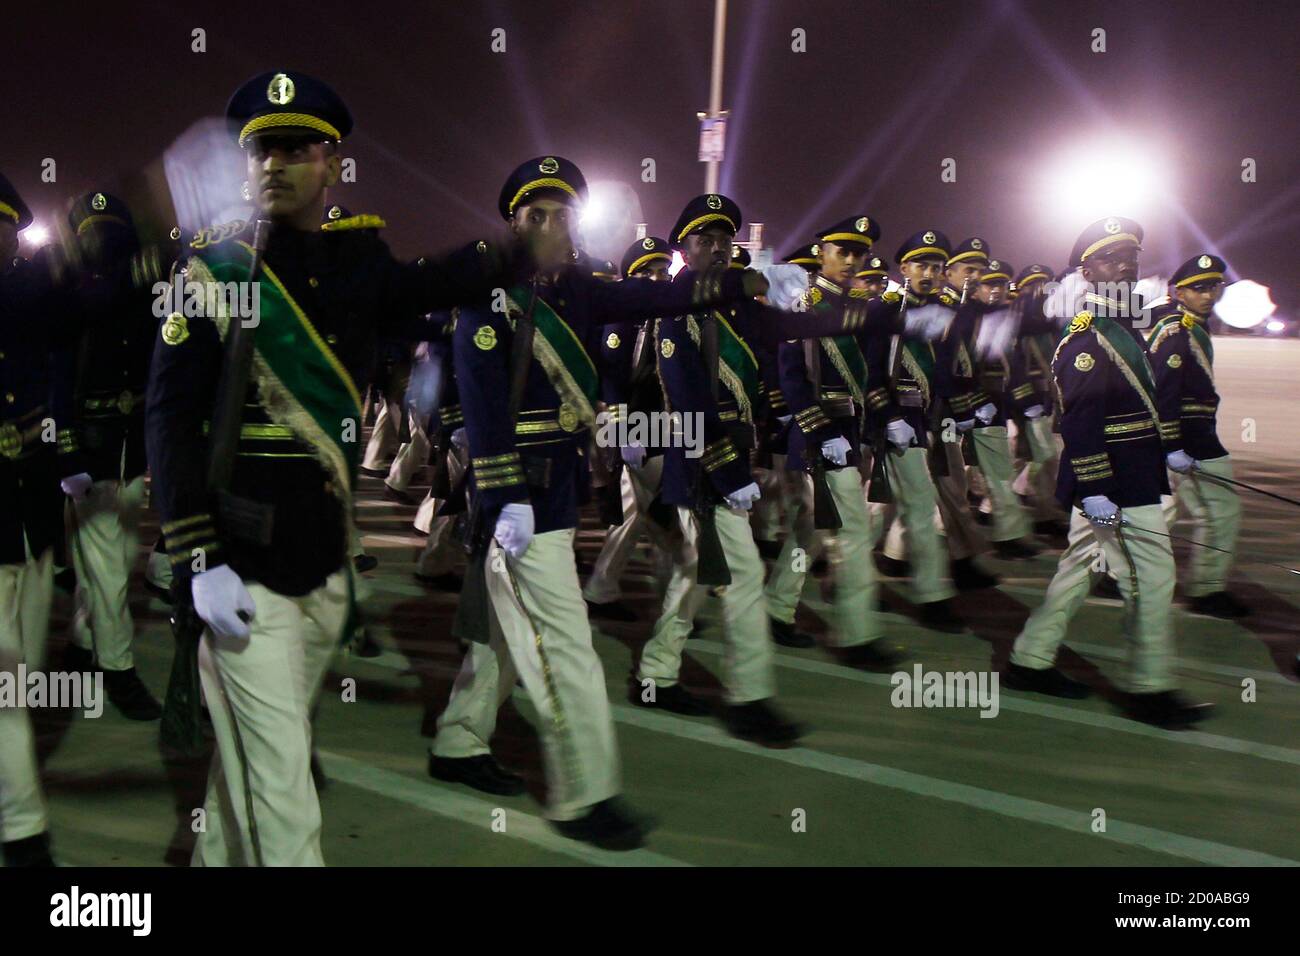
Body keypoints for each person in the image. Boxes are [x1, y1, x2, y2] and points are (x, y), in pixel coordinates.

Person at [147, 69, 516, 865]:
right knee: (285, 792)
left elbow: (434, 281)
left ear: (331, 163)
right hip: (240, 570)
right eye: (259, 152)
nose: (272, 166)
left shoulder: (356, 264)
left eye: (294, 149)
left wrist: (518, 248)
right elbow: (169, 420)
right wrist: (198, 557)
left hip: (322, 565)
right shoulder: (214, 269)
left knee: (253, 762)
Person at [1005, 217, 1212, 729]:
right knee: (1153, 579)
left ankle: (1029, 660)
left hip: (1132, 471)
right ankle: (1149, 687)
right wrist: (1096, 487)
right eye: (1109, 258)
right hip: (1116, 484)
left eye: (1131, 256)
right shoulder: (1087, 338)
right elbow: (1080, 421)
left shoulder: (1123, 327)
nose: (1125, 265)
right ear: (1087, 271)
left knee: (1077, 570)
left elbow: (1137, 406)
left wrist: (1166, 448)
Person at [62, 191, 164, 720]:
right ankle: (117, 669)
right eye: (95, 236)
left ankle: (82, 647)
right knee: (110, 565)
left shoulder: (143, 286)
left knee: (108, 558)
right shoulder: (78, 291)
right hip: (88, 448)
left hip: (128, 446)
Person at [1147, 253, 1247, 619]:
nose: (1208, 295)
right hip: (1191, 438)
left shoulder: (1189, 326)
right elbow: (1165, 392)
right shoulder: (1176, 331)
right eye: (1198, 288)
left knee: (1161, 512)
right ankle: (1206, 589)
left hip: (1190, 436)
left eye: (1213, 287)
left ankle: (1118, 572)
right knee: (1221, 511)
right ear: (1178, 292)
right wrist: (1173, 445)